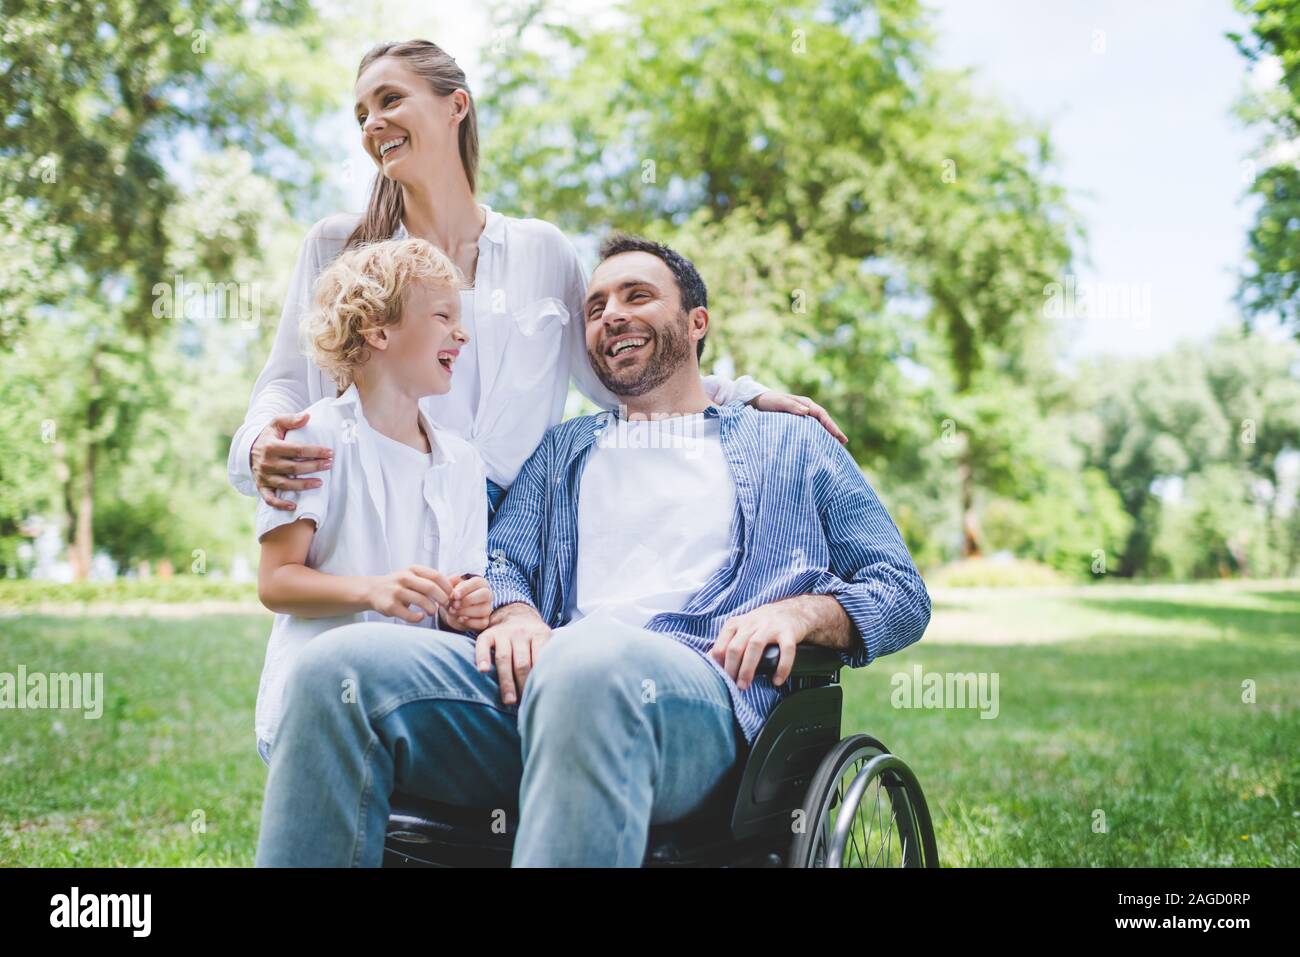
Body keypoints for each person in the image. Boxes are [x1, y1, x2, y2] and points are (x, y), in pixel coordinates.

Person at [253, 235, 930, 867]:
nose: (611, 314)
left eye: (637, 295)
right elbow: (502, 563)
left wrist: (805, 614)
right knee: (333, 671)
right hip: (540, 690)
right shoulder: (562, 451)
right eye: (597, 306)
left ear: (697, 323)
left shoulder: (790, 443)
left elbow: (900, 589)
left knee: (587, 658)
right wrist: (516, 614)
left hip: (700, 701)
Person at [227, 39, 846, 521]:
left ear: (455, 105)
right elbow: (284, 381)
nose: (371, 125)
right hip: (373, 506)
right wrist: (258, 444)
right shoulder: (340, 246)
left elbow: (615, 380)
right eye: (361, 114)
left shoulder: (540, 250)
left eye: (390, 101)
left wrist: (747, 397)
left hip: (514, 527)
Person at [253, 237, 492, 763]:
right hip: (320, 709)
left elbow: (463, 582)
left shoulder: (463, 462)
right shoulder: (312, 437)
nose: (463, 333)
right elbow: (276, 582)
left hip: (417, 711)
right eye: (442, 315)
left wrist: (467, 605)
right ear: (379, 330)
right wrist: (373, 591)